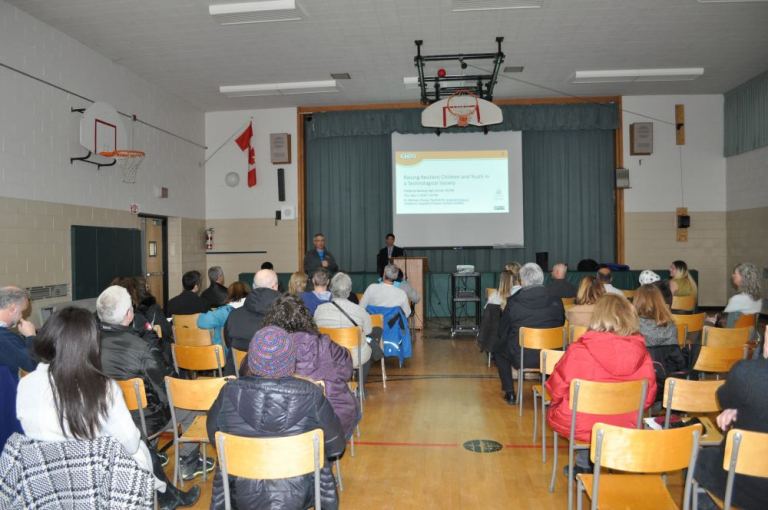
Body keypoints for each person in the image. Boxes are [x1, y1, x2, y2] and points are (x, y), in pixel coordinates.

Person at [16, 307, 200, 510]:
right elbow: (129, 444)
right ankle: (168, 494)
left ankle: (168, 495)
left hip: (43, 479)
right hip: (96, 481)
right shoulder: (102, 388)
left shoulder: (26, 383)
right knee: (139, 446)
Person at [207, 326, 345, 510]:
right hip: (301, 492)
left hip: (241, 491)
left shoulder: (228, 392)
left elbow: (214, 437)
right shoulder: (312, 394)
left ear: (252, 360)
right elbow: (336, 446)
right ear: (290, 361)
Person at [97, 285, 213, 484]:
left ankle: (151, 451)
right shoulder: (144, 349)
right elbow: (169, 388)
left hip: (103, 416)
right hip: (141, 419)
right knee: (190, 409)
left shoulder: (86, 343)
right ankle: (189, 461)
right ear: (128, 314)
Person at [546, 294, 657, 472]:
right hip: (625, 422)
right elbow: (648, 398)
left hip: (581, 423)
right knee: (601, 416)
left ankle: (583, 465)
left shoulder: (578, 350)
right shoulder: (643, 353)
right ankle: (609, 460)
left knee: (579, 413)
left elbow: (556, 389)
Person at [258, 294, 359, 438]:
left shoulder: (265, 350)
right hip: (330, 421)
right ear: (305, 317)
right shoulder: (327, 345)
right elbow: (347, 371)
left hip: (281, 423)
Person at [693, 329, 768, 510]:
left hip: (745, 484)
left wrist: (735, 406)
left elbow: (724, 397)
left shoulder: (746, 373)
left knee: (696, 460)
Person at [495, 263, 565, 405]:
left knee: (498, 349)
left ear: (522, 281)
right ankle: (554, 391)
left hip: (522, 356)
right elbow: (561, 322)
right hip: (552, 356)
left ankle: (510, 393)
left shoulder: (514, 301)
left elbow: (502, 330)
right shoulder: (556, 300)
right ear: (542, 279)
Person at [314, 272, 376, 383]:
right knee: (368, 346)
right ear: (349, 290)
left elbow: (315, 332)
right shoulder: (360, 311)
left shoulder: (319, 310)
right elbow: (368, 331)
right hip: (354, 357)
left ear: (331, 289)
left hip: (328, 356)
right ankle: (360, 387)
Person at [633, 284, 686, 390]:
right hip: (668, 383)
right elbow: (678, 361)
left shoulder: (631, 327)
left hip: (640, 384)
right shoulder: (671, 326)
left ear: (637, 302)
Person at [224, 269, 280, 353]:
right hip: (272, 365)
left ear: (253, 286)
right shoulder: (286, 317)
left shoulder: (233, 315)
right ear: (275, 287)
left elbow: (228, 343)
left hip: (237, 365)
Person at [197, 281, 250, 348]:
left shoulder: (224, 312)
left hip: (227, 355)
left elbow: (201, 322)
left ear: (229, 294)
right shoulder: (255, 310)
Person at [0, 286, 37, 380]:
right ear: (13, 309)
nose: (21, 316)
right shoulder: (6, 338)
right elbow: (32, 368)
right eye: (21, 312)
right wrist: (31, 336)